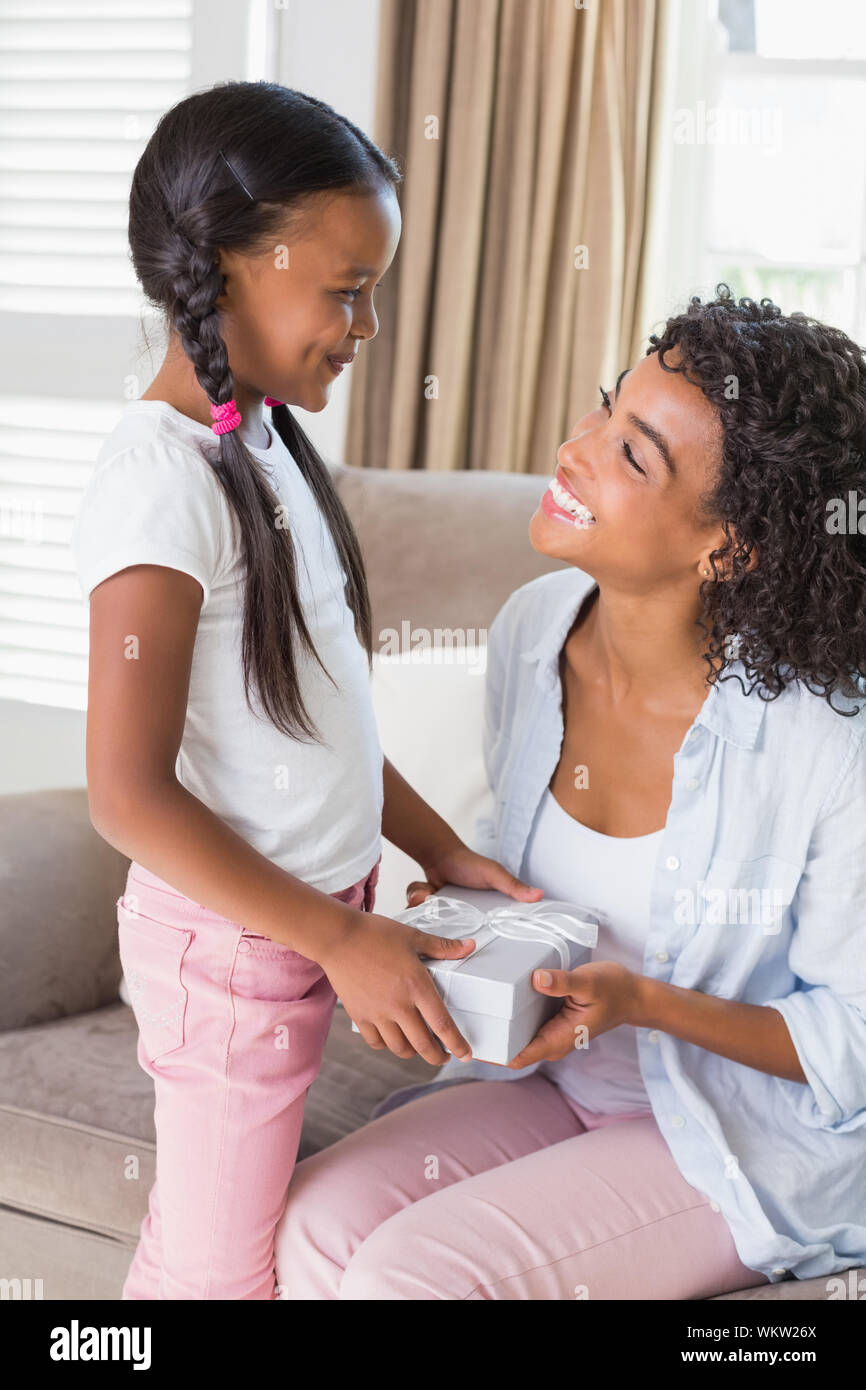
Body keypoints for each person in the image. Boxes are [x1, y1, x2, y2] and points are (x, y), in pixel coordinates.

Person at [273, 286, 866, 1299]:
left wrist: (638, 1004)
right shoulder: (534, 626)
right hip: (548, 1078)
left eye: (633, 453)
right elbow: (531, 869)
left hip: (732, 1130)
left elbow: (851, 1040)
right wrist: (466, 919)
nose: (575, 446)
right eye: (604, 406)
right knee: (313, 1227)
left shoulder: (826, 737)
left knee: (407, 1278)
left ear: (726, 546)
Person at [72, 80, 539, 1301]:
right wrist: (339, 938)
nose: (366, 322)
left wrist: (436, 847)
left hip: (289, 931)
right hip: (232, 953)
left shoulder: (266, 436)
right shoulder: (159, 485)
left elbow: (316, 718)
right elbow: (125, 796)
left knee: (222, 1255)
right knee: (219, 1279)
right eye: (345, 289)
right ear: (228, 266)